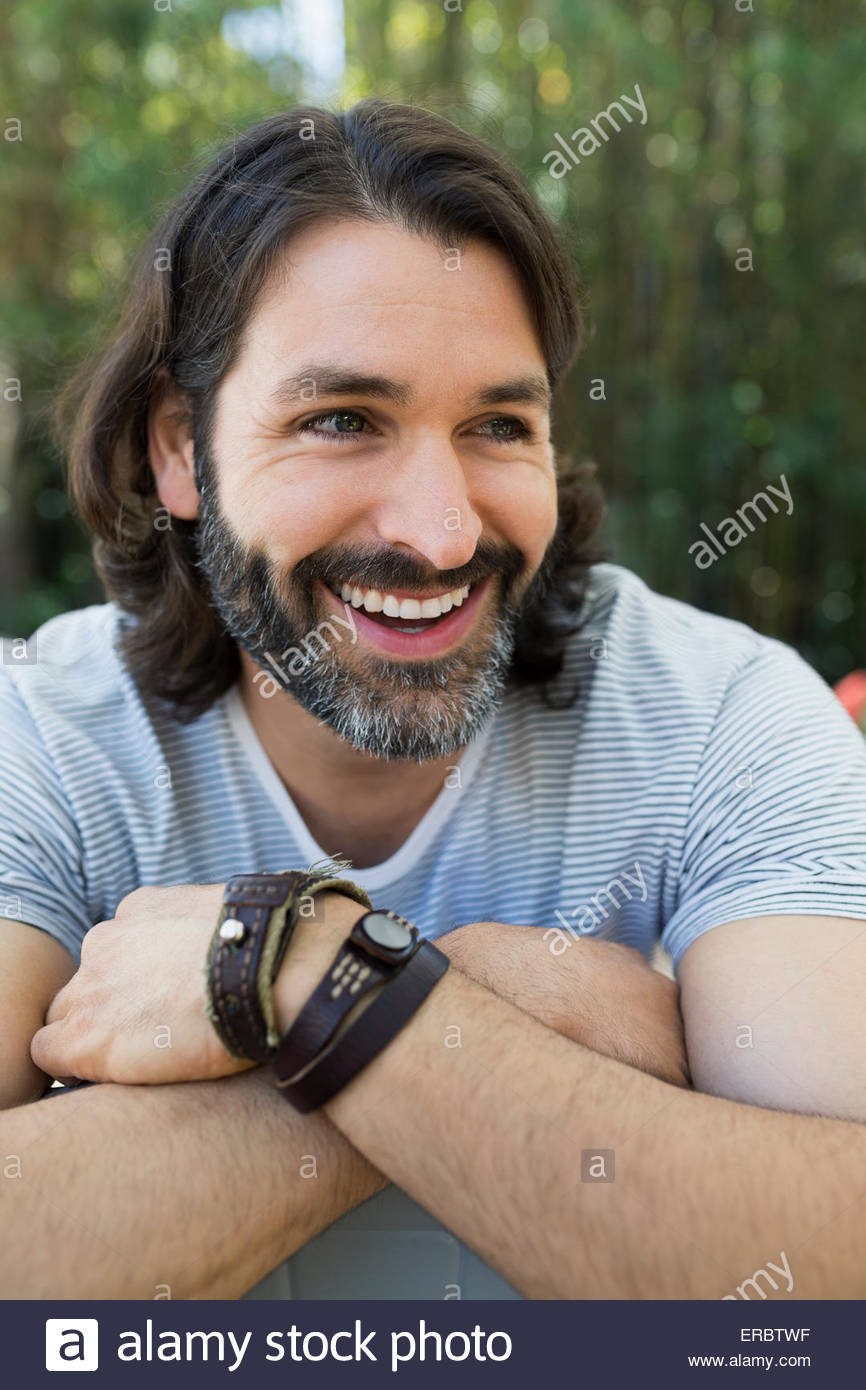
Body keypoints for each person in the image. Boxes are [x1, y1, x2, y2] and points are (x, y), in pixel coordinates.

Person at [2, 100, 866, 1300]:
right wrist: (493, 1000)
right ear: (177, 450)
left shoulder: (725, 721)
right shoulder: (42, 738)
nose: (441, 527)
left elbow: (834, 1273)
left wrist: (304, 973)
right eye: (342, 420)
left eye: (496, 426)